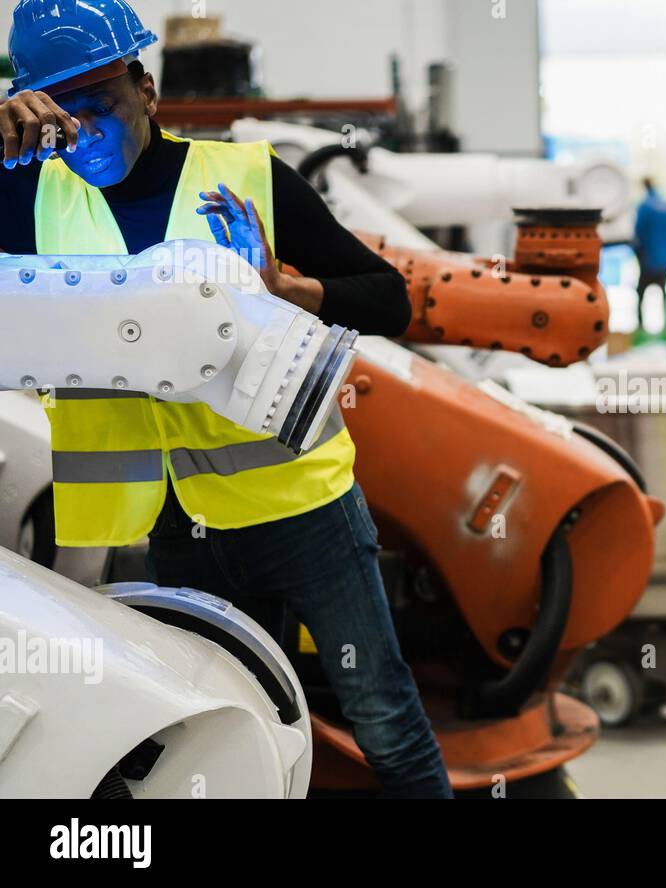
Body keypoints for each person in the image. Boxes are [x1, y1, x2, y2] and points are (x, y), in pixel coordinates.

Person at [1, 0, 451, 797]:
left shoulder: (246, 178)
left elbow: (389, 300)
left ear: (147, 89)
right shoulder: (31, 198)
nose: (87, 133)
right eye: (63, 117)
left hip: (300, 505)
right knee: (225, 729)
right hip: (170, 525)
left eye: (101, 103)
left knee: (383, 715)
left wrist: (288, 287)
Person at [632, 176, 666, 346]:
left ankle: (640, 329)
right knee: (663, 292)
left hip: (648, 258)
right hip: (665, 259)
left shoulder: (644, 207)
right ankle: (665, 329)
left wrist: (639, 252)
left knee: (641, 293)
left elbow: (639, 232)